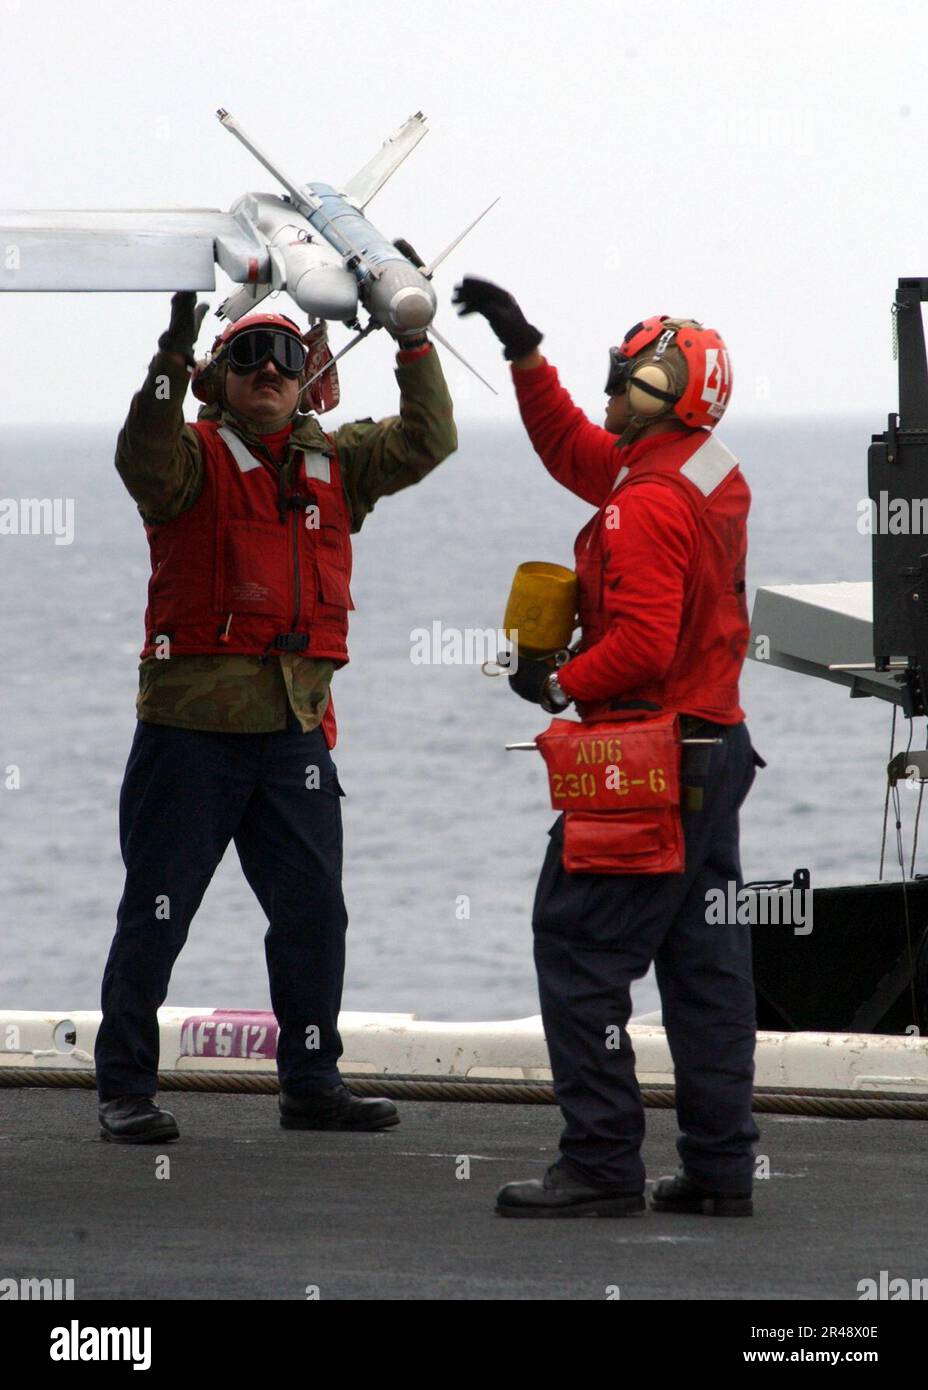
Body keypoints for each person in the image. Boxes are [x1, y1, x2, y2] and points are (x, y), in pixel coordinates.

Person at [95, 292, 457, 1143]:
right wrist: (170, 358)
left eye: (288, 358)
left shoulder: (335, 463)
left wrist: (412, 339)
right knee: (156, 911)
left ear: (309, 380)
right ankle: (124, 1088)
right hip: (191, 736)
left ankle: (311, 1081)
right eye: (251, 355)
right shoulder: (187, 458)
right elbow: (138, 456)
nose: (269, 371)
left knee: (313, 915)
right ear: (219, 377)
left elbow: (428, 439)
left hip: (292, 733)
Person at [453, 277, 760, 1217]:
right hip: (719, 747)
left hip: (652, 758)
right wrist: (523, 350)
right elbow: (576, 452)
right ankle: (717, 1172)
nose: (612, 386)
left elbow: (641, 644)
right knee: (703, 970)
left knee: (579, 951)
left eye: (627, 376)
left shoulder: (644, 506)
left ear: (667, 390)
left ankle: (599, 1165)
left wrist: (555, 683)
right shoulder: (699, 469)